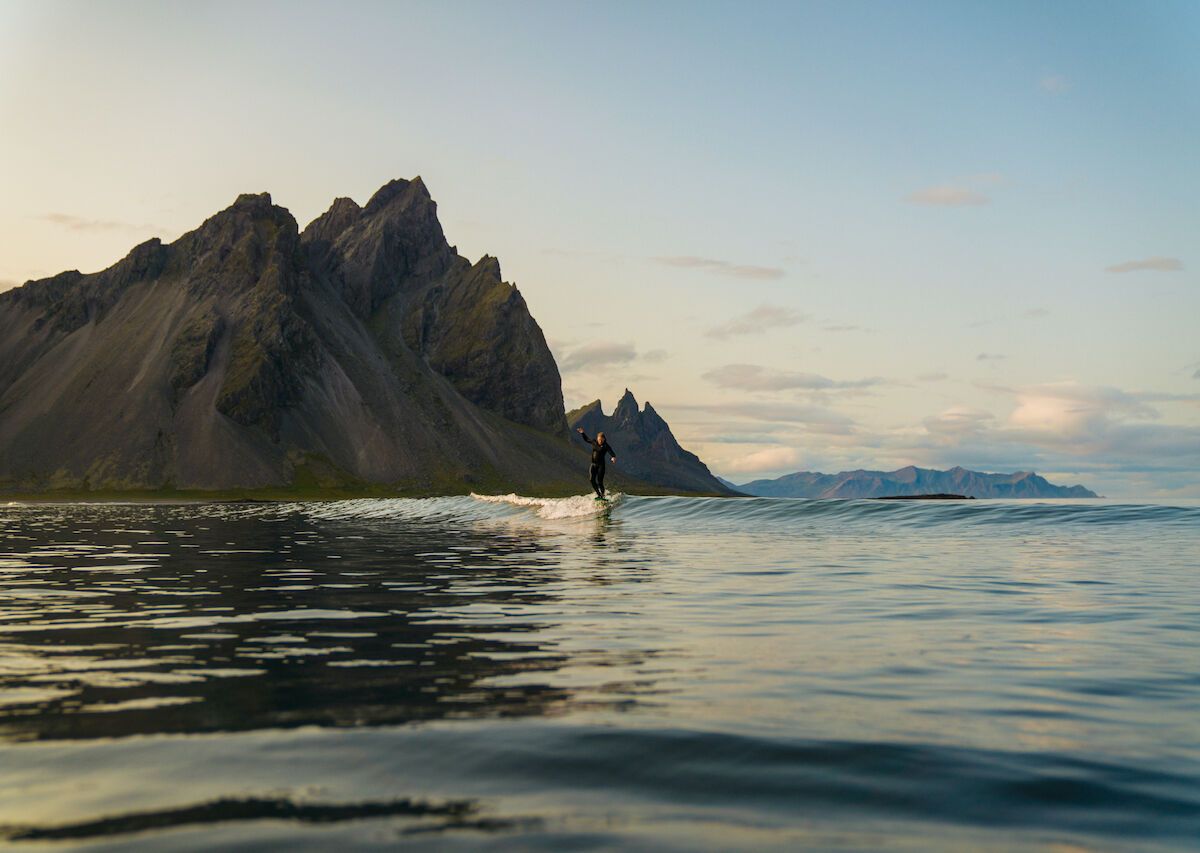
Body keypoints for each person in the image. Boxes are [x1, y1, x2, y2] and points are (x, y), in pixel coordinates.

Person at [576, 427, 617, 499]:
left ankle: (603, 494)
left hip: (601, 465)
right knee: (591, 480)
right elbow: (587, 439)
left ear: (604, 439)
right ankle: (599, 494)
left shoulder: (605, 445)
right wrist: (582, 433)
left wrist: (613, 457)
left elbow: (611, 451)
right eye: (599, 439)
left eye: (601, 440)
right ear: (597, 439)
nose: (600, 441)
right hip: (593, 464)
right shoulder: (594, 442)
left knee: (599, 482)